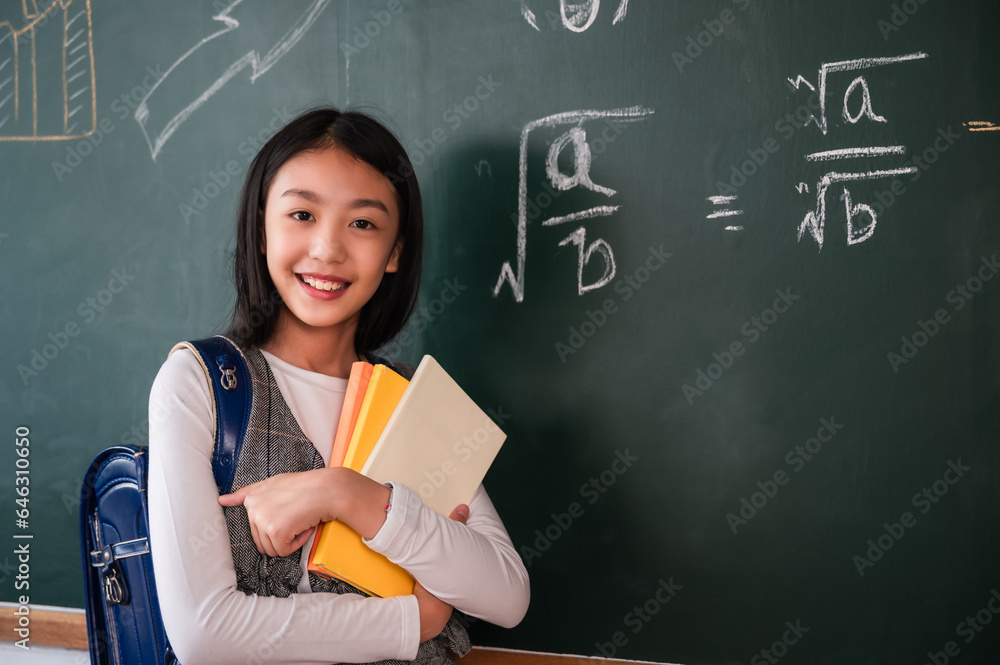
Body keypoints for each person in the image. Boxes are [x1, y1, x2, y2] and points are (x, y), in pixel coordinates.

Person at [147, 107, 530, 664]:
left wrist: (346, 493)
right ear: (261, 227)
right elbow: (206, 635)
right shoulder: (202, 382)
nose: (327, 249)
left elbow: (507, 593)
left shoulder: (406, 399)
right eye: (302, 213)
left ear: (395, 252)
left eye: (364, 223)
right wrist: (412, 620)